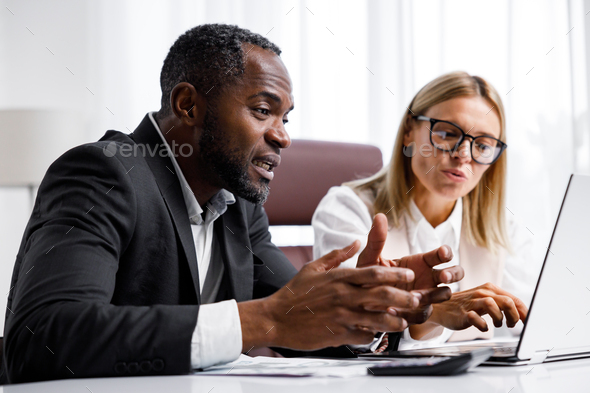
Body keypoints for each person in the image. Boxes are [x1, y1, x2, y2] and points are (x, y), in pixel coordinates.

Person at [2, 24, 464, 384]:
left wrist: (370, 304)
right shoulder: (103, 174)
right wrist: (259, 321)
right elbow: (42, 339)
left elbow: (300, 316)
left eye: (286, 117)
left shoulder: (238, 204)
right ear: (188, 105)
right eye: (263, 111)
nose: (283, 136)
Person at [313, 71, 538, 348]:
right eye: (447, 133)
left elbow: (532, 329)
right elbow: (348, 331)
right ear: (409, 131)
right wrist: (433, 313)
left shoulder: (504, 229)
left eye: (482, 145)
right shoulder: (347, 208)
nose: (463, 155)